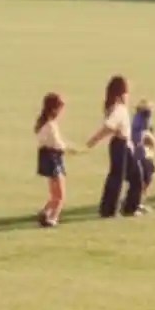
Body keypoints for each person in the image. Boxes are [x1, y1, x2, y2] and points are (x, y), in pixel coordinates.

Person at [86, 75, 142, 218]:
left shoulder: (114, 107)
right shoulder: (119, 109)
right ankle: (111, 210)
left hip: (122, 145)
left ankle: (125, 207)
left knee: (132, 176)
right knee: (118, 178)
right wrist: (93, 140)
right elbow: (109, 127)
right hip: (120, 146)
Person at [33, 93, 79, 228]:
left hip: (47, 159)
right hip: (53, 159)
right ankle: (53, 218)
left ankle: (45, 212)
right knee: (60, 195)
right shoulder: (50, 125)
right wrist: (71, 149)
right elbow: (58, 144)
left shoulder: (42, 123)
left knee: (54, 193)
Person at [130, 99, 155, 212]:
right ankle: (135, 203)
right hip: (142, 155)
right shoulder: (140, 122)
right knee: (144, 179)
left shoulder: (141, 120)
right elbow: (142, 137)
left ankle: (138, 202)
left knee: (147, 177)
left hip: (145, 154)